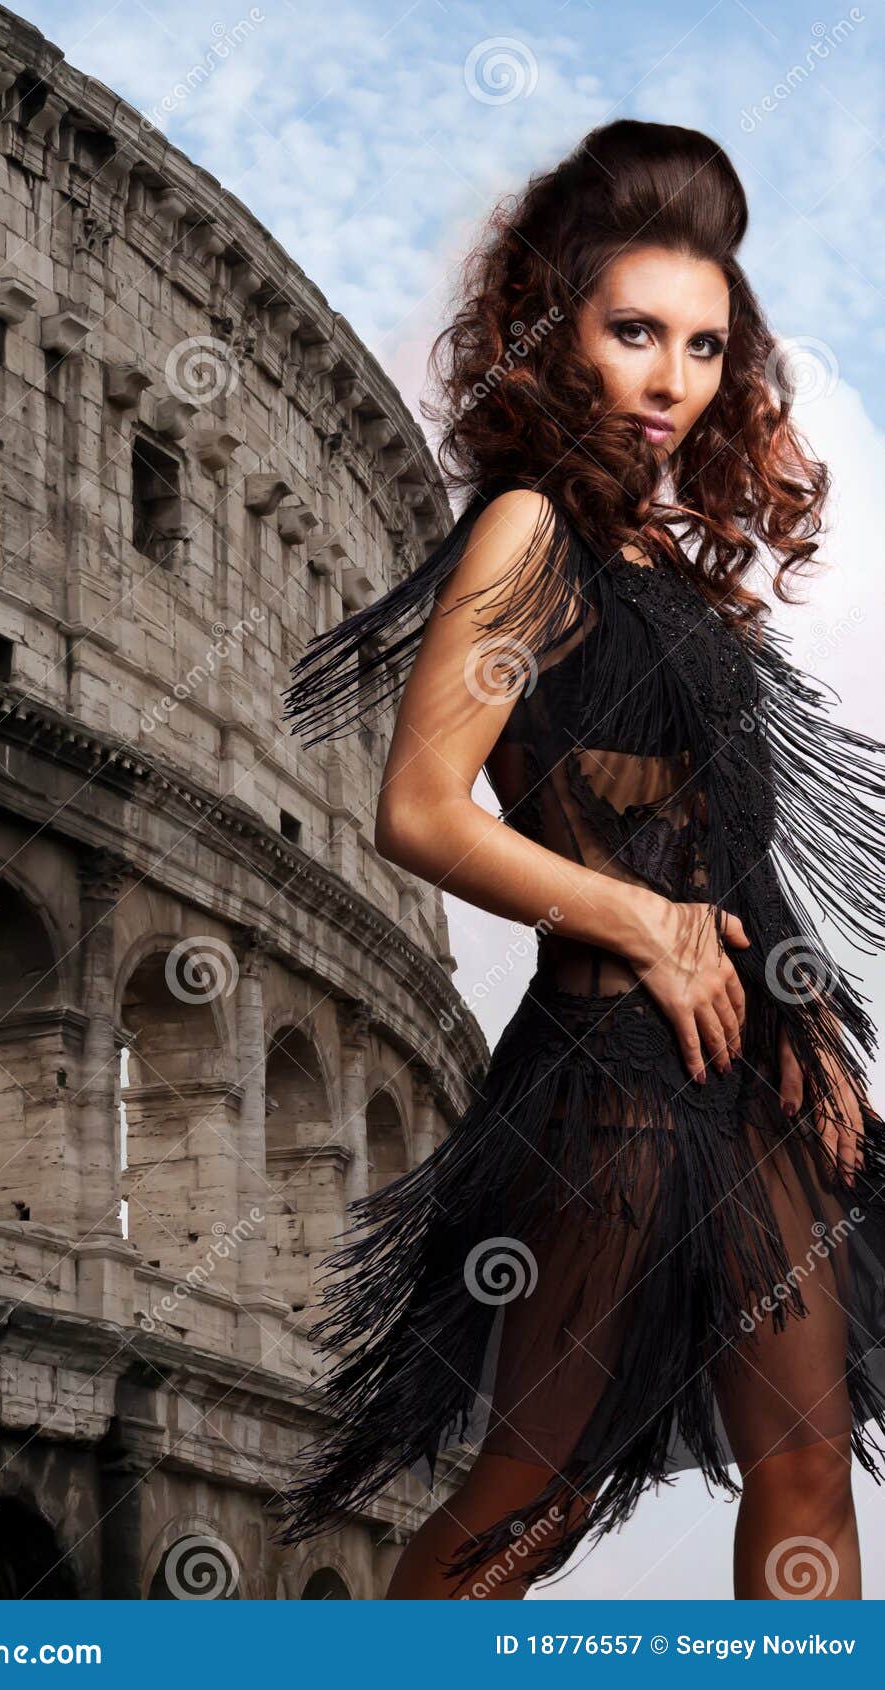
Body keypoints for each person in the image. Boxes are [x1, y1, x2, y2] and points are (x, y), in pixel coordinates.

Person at [272, 118, 885, 1601]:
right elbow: (419, 808)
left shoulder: (667, 564)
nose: (671, 377)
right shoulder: (527, 531)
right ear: (558, 330)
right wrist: (642, 921)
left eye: (703, 343)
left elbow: (724, 839)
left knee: (804, 1463)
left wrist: (808, 1032)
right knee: (527, 1493)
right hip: (609, 1063)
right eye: (632, 331)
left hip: (751, 1070)